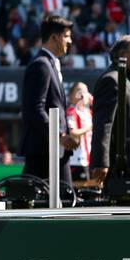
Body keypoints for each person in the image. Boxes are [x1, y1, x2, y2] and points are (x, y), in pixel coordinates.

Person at [20, 14, 78, 191]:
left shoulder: (51, 64)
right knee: (31, 204)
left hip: (54, 151)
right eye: (67, 36)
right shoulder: (41, 65)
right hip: (44, 151)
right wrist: (60, 136)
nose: (70, 41)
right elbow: (35, 108)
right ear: (54, 37)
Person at [89, 35, 130, 187]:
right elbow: (104, 124)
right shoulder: (111, 80)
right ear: (123, 55)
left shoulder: (129, 79)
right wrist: (101, 162)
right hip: (119, 164)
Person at [65, 81, 93, 185]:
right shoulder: (72, 111)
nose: (82, 95)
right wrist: (88, 128)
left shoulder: (88, 112)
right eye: (79, 91)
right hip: (77, 161)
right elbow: (72, 132)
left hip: (89, 160)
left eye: (85, 92)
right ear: (71, 95)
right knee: (78, 189)